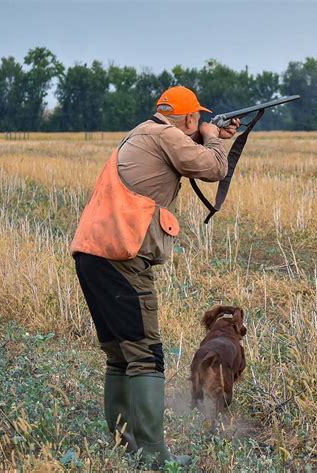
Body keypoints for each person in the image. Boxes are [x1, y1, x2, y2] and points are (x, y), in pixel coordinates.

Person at [71, 85, 240, 467]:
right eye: (197, 119)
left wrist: (215, 137)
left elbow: (199, 156)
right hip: (123, 257)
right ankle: (152, 454)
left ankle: (122, 443)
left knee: (120, 355)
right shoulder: (166, 135)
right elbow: (213, 168)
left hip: (92, 254)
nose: (199, 123)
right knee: (146, 356)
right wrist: (215, 139)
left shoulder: (142, 132)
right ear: (188, 119)